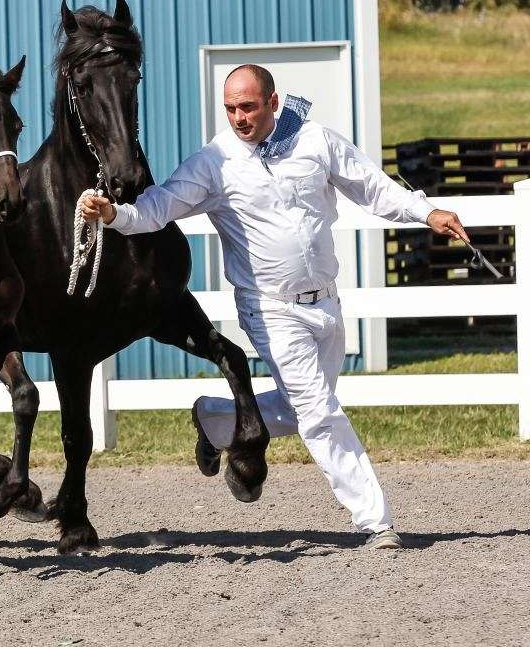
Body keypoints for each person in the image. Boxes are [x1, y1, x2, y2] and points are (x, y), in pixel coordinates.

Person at [80, 64, 469, 549]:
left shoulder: (316, 141)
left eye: (247, 106)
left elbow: (371, 185)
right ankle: (375, 521)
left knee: (301, 408)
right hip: (270, 309)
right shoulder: (213, 163)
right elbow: (159, 208)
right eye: (230, 108)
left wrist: (426, 212)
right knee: (320, 414)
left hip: (326, 303)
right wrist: (116, 215)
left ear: (273, 102)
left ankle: (217, 419)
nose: (238, 117)